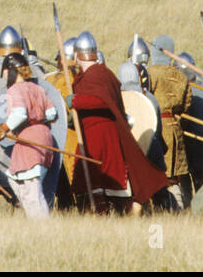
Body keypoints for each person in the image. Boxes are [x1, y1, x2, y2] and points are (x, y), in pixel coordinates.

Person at [69, 31, 170, 213]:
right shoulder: (104, 73)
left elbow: (103, 100)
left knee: (99, 180)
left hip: (99, 138)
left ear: (77, 55)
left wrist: (76, 101)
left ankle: (105, 215)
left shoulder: (98, 75)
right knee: (90, 179)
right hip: (94, 135)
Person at [0, 52, 57, 218]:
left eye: (6, 71)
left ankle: (41, 227)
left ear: (12, 71)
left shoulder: (14, 90)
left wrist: (4, 128)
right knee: (16, 179)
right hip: (44, 136)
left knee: (32, 190)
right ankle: (33, 219)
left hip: (30, 140)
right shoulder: (38, 88)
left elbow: (20, 113)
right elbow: (51, 114)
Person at [146, 36, 192, 208]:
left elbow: (143, 100)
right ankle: (178, 206)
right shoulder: (181, 76)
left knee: (157, 172)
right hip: (175, 128)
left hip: (155, 128)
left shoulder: (150, 73)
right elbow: (186, 103)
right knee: (174, 176)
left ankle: (166, 208)